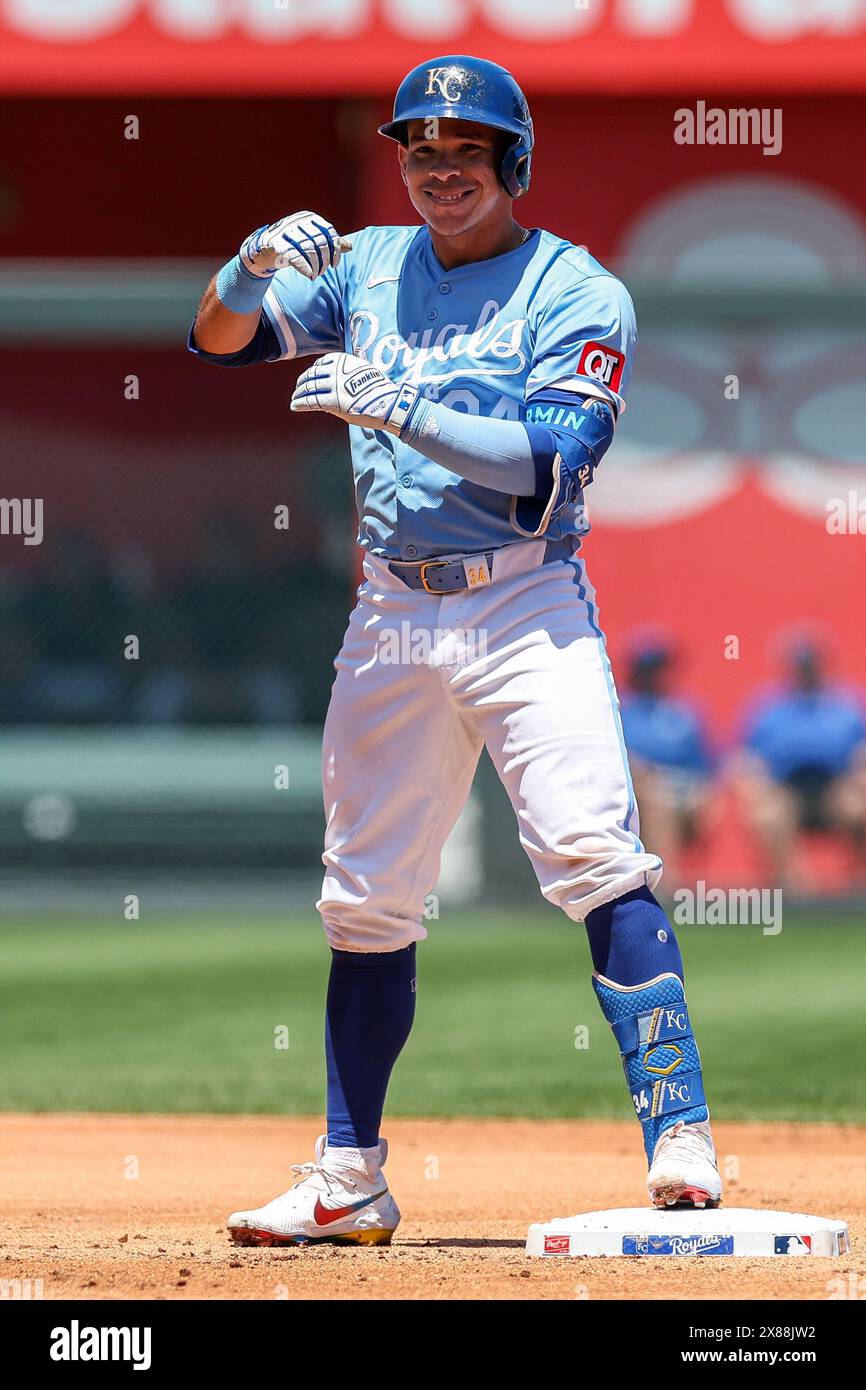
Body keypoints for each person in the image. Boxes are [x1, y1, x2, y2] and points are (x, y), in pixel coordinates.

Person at [189, 55, 721, 1247]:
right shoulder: (371, 264)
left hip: (523, 604)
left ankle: (678, 1133)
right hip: (389, 610)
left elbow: (549, 462)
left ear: (510, 163)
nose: (436, 172)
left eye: (463, 153)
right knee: (364, 899)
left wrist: (399, 404)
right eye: (419, 153)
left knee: (593, 852)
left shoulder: (573, 288)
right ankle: (347, 1175)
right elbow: (218, 343)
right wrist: (252, 263)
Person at [733, 631, 866, 890]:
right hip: (787, 791)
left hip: (836, 789)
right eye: (801, 664)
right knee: (767, 814)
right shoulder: (768, 708)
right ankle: (798, 891)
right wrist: (755, 787)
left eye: (811, 663)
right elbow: (745, 759)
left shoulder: (847, 705)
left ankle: (858, 886)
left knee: (860, 804)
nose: (807, 670)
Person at [620, 631, 713, 888]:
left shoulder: (684, 711)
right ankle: (668, 887)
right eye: (648, 669)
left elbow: (705, 763)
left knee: (708, 803)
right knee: (659, 802)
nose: (654, 676)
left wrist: (703, 791)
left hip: (684, 788)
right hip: (641, 793)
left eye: (659, 668)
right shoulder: (621, 710)